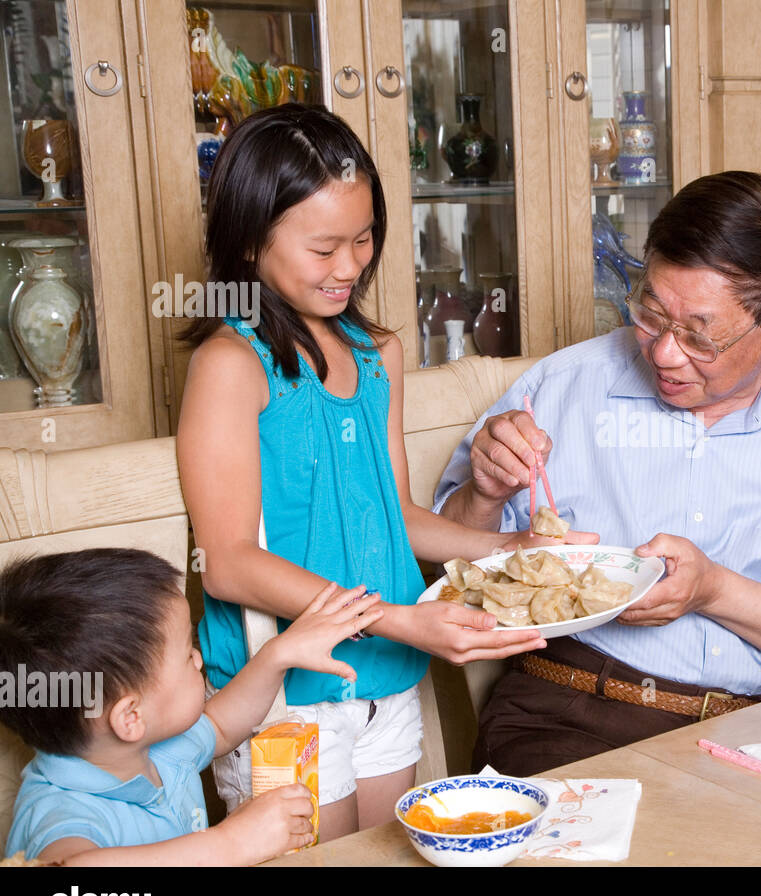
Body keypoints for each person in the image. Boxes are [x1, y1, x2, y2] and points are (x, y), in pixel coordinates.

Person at [176, 104, 591, 841]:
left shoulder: (378, 356)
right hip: (281, 696)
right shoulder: (230, 366)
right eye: (323, 247)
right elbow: (230, 564)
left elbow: (396, 516)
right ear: (247, 244)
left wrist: (517, 553)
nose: (350, 266)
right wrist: (398, 618)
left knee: (385, 858)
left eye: (364, 239)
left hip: (388, 678)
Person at [436, 170, 761, 775]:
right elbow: (446, 565)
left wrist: (714, 592)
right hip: (573, 710)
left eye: (699, 335)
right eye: (652, 314)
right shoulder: (561, 389)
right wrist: (484, 490)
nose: (663, 352)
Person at [1, 548, 376, 864]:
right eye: (186, 655)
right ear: (130, 717)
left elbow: (221, 725)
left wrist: (278, 655)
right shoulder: (59, 815)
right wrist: (232, 843)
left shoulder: (154, 751)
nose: (198, 659)